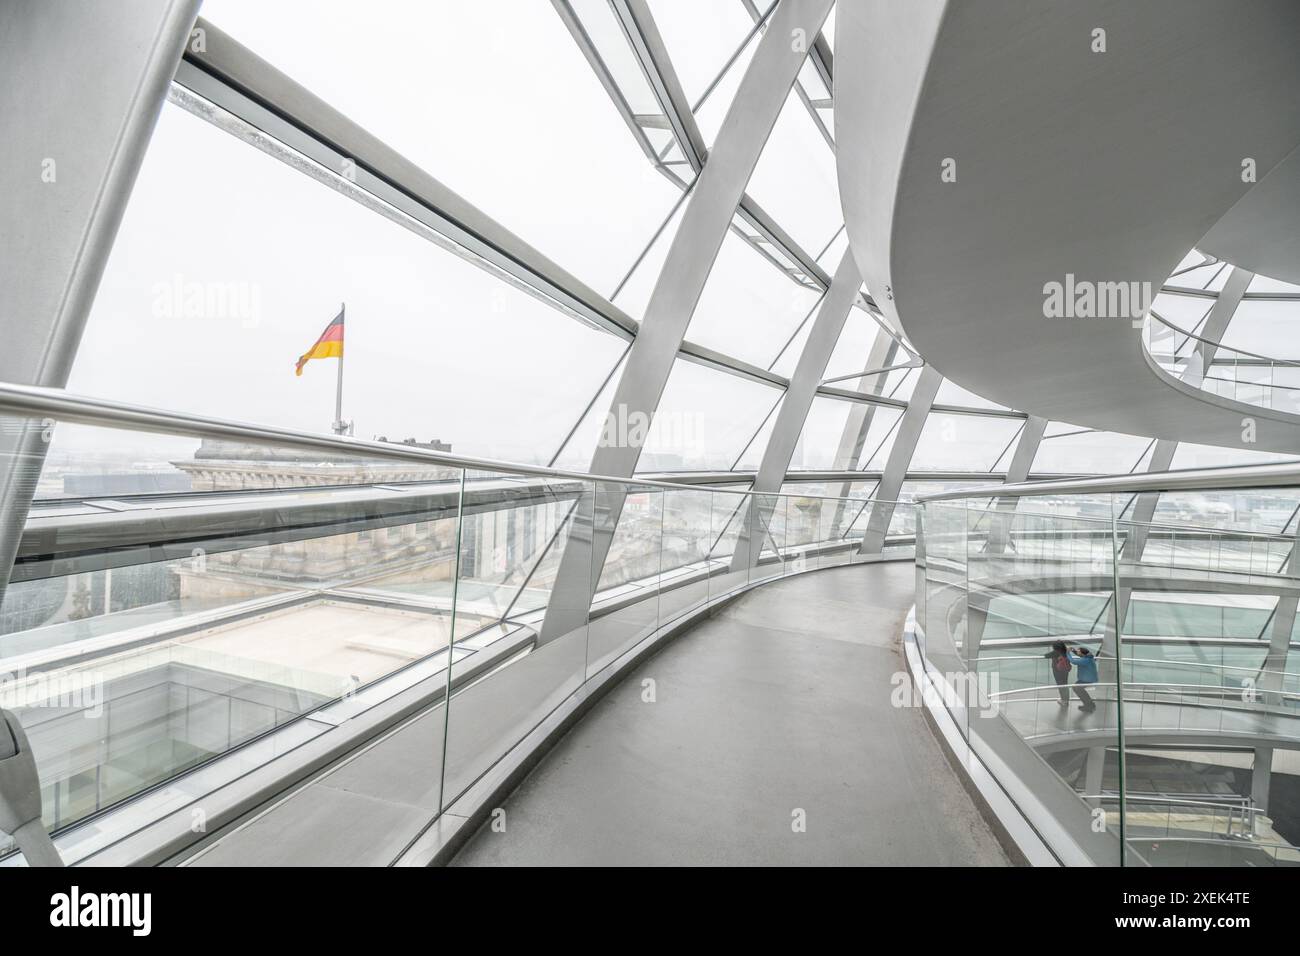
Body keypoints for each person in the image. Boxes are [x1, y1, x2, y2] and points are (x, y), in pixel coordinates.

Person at [1067, 645, 1099, 712]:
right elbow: (1080, 655)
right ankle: (1089, 704)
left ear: (1082, 653)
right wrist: (1073, 650)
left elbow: (1073, 661)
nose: (1077, 652)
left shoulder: (1085, 660)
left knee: (1077, 688)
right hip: (1088, 678)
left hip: (1088, 679)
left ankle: (1088, 705)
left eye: (1078, 651)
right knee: (1078, 689)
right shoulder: (1088, 657)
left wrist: (1067, 653)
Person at [1043, 640, 1072, 707]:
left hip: (1058, 671)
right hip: (1065, 670)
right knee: (1065, 684)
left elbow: (1046, 656)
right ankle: (1066, 700)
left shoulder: (1056, 652)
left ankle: (1064, 701)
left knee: (1061, 685)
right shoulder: (1065, 650)